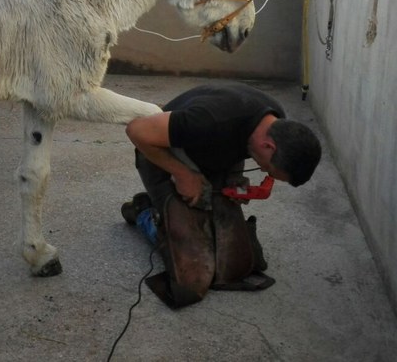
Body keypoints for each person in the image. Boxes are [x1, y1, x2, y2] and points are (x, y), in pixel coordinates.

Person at [121, 82, 322, 306]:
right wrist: (184, 175)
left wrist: (236, 182)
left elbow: (239, 146)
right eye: (269, 168)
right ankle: (145, 212)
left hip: (207, 153)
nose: (265, 172)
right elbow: (136, 130)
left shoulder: (275, 123)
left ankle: (177, 208)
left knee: (235, 263)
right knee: (192, 277)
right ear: (269, 146)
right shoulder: (208, 120)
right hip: (161, 153)